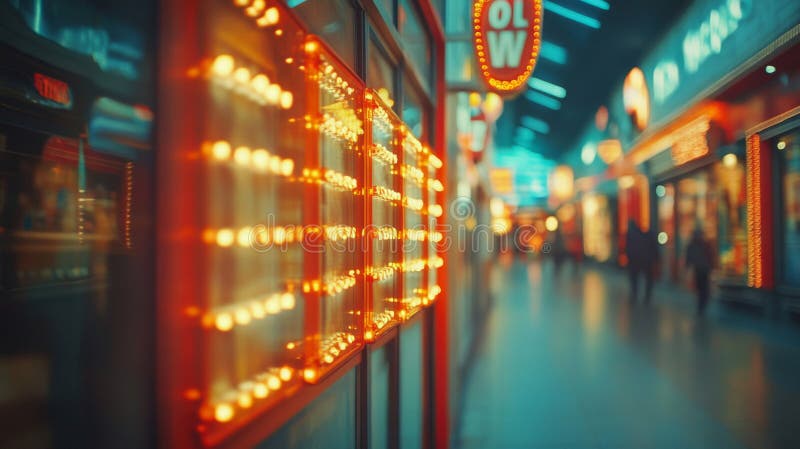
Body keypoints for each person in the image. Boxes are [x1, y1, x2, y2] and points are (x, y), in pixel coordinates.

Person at [685, 228, 713, 314]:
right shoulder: (696, 245)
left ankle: (701, 305)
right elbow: (688, 258)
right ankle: (701, 305)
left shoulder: (703, 245)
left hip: (703, 269)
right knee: (702, 289)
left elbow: (710, 256)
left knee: (703, 289)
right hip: (700, 269)